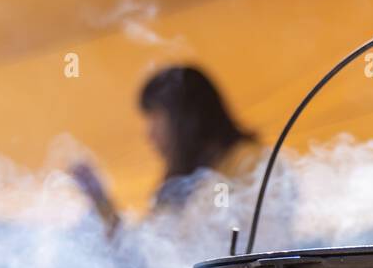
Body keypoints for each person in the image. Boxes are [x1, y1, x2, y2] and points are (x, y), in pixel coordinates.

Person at [71, 66, 260, 241]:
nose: (150, 135)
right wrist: (101, 202)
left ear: (185, 117)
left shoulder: (250, 165)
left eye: (155, 118)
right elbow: (146, 254)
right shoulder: (181, 184)